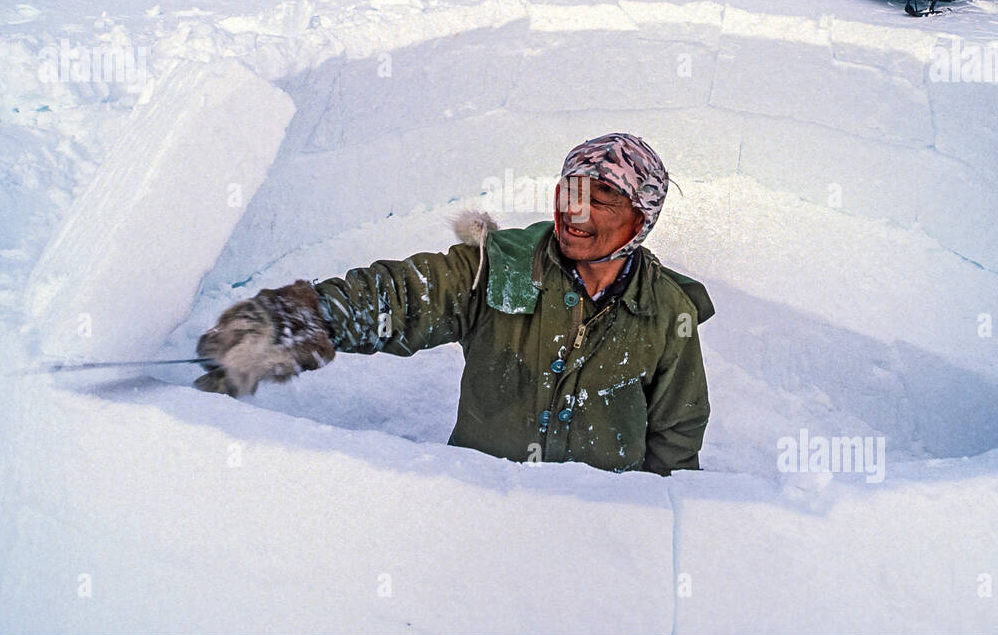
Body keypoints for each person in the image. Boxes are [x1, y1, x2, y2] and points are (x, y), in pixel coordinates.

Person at [193, 132, 714, 476]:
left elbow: (675, 434)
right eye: (569, 191)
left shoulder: (668, 314)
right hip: (476, 514)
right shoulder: (498, 268)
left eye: (600, 200)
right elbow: (400, 296)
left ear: (641, 219)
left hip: (592, 530)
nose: (574, 212)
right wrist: (294, 320)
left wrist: (649, 524)